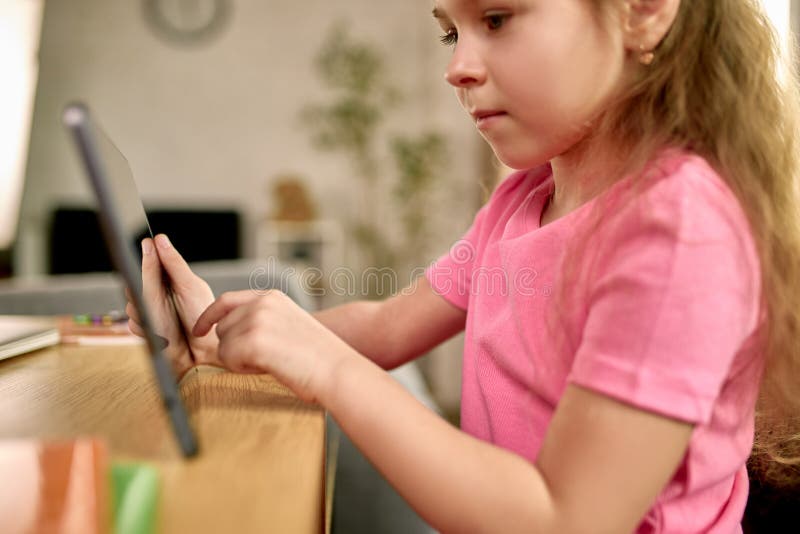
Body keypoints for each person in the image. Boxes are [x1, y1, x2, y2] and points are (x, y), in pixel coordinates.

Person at [127, 1, 800, 532]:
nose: (457, 67)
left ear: (644, 9)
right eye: (452, 32)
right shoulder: (523, 200)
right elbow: (387, 326)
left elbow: (565, 519)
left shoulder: (679, 230)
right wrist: (216, 339)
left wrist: (328, 368)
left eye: (497, 19)